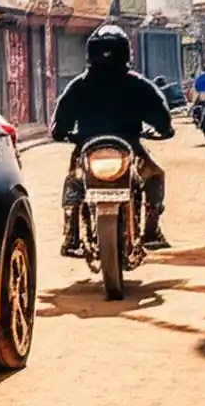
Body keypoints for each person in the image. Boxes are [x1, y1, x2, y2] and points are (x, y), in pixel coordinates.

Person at [51, 24, 176, 257]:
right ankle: (151, 230)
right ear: (126, 53)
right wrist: (164, 130)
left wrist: (63, 134)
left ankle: (71, 236)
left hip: (86, 147)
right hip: (130, 146)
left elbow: (60, 124)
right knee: (155, 175)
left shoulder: (79, 85)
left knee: (74, 182)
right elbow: (161, 117)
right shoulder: (138, 84)